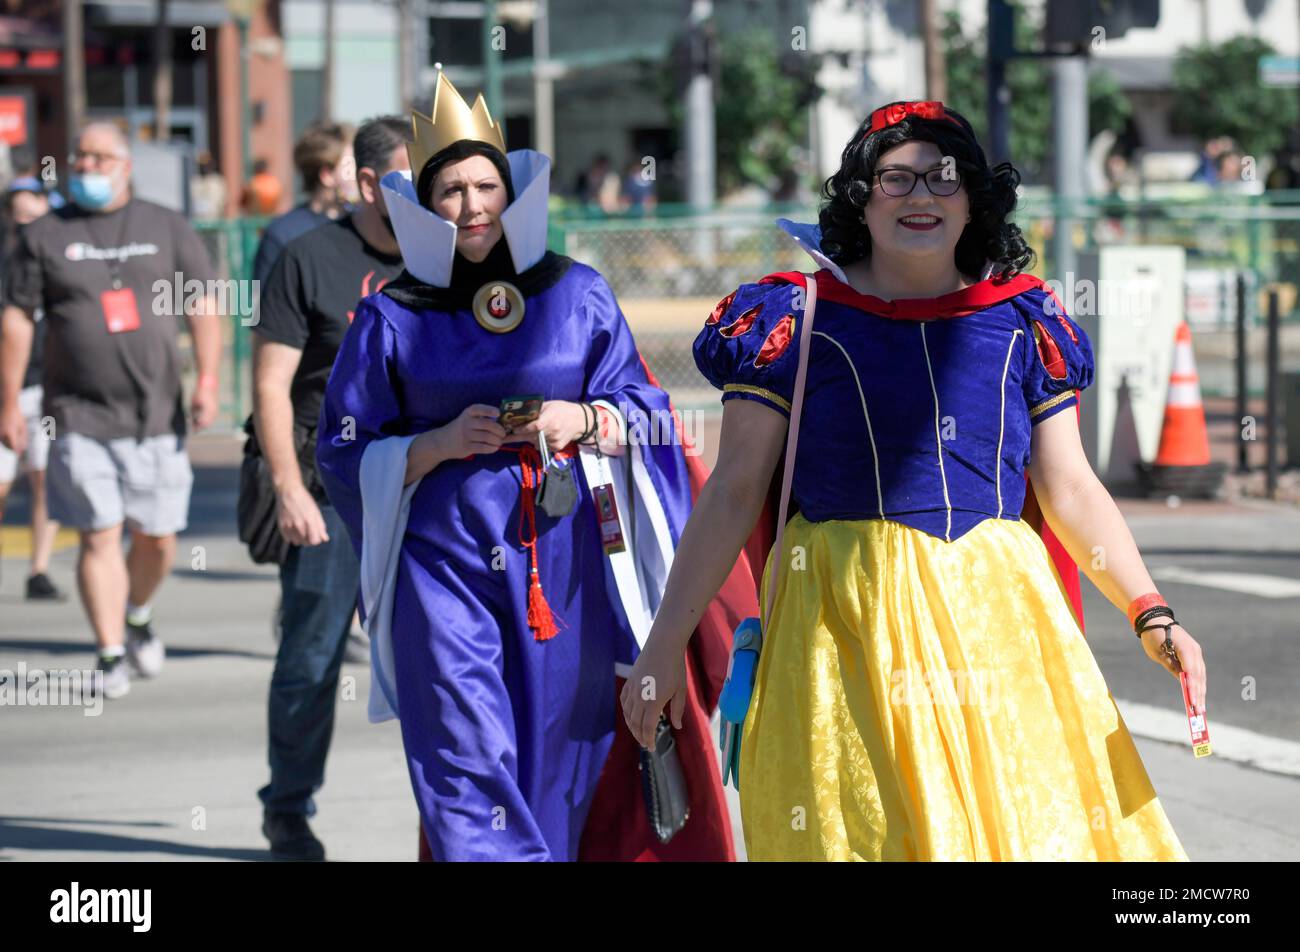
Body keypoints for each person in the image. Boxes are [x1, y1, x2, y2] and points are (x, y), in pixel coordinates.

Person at [622, 100, 1204, 861]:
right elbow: (733, 491)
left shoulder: (1026, 320)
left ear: (975, 201)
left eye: (944, 178)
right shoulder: (791, 318)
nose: (922, 196)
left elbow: (1071, 490)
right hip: (839, 622)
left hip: (997, 623)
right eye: (895, 179)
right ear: (860, 199)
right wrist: (665, 643)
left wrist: (1151, 612)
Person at [315, 73, 736, 861]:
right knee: (464, 750)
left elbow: (650, 414)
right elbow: (341, 446)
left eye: (485, 185)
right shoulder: (391, 315)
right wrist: (434, 445)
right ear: (422, 203)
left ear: (511, 195)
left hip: (570, 563)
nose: (472, 205)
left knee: (568, 755)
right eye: (450, 189)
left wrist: (583, 417)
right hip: (442, 570)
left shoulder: (577, 294)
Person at [0, 122, 221, 699]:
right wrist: (8, 402)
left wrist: (210, 379)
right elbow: (18, 318)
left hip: (156, 415)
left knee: (158, 538)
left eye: (101, 157)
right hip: (76, 414)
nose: (89, 167)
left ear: (126, 165)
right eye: (81, 157)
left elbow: (202, 303)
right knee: (99, 534)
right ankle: (108, 653)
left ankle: (139, 614)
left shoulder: (165, 225)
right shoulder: (44, 235)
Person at [251, 116, 409, 862]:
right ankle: (287, 811)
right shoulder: (306, 257)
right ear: (369, 182)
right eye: (413, 177)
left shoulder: (444, 263)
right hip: (329, 487)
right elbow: (272, 385)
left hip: (421, 486)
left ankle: (460, 816)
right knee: (312, 660)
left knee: (440, 656)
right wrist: (289, 488)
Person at [0, 176, 65, 600]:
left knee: (46, 479)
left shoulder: (62, 258)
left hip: (48, 390)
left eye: (34, 215)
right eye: (19, 216)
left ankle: (39, 569)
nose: (27, 227)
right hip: (7, 389)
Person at [252, 122, 357, 285]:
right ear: (327, 175)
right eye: (351, 167)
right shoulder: (283, 234)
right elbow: (264, 302)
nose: (360, 174)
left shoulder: (366, 224)